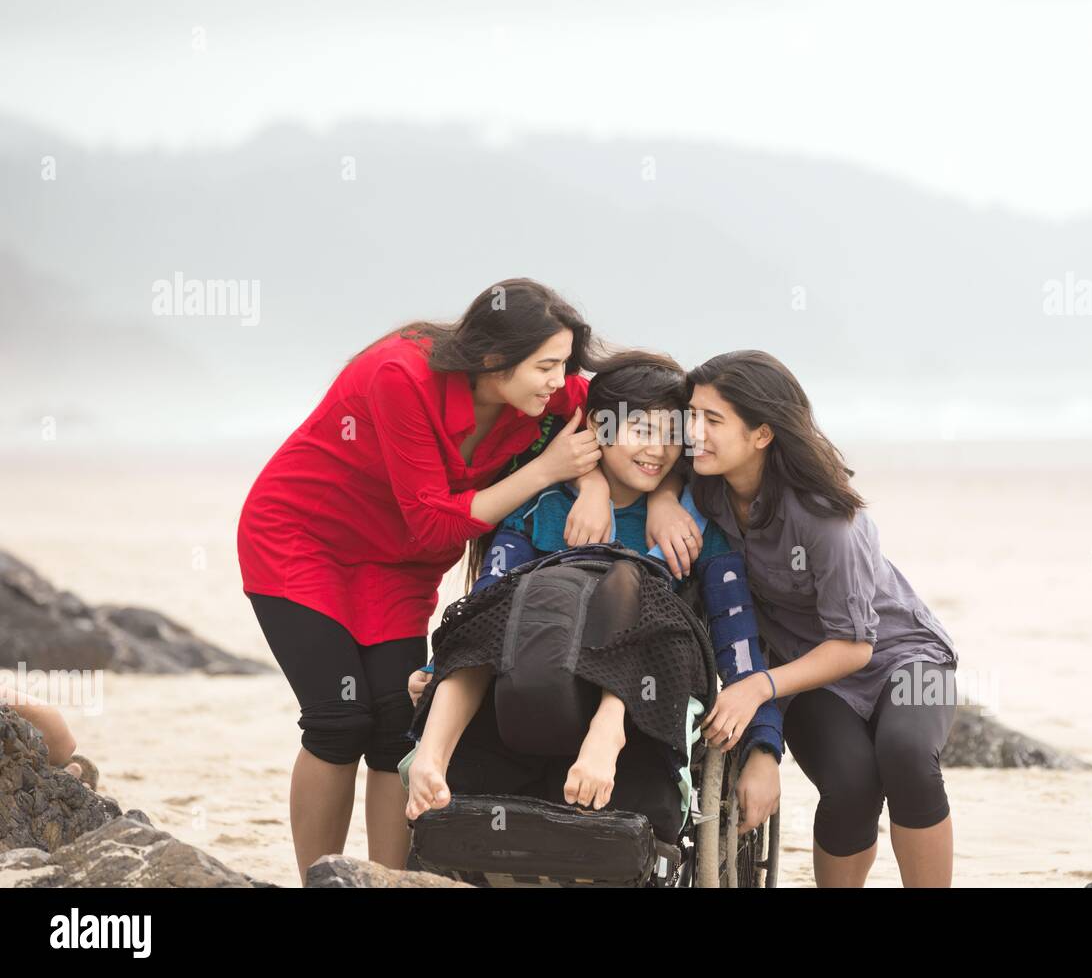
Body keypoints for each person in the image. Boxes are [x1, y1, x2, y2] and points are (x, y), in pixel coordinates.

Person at [238, 278, 638, 883]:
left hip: (397, 566)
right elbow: (432, 525)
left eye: (564, 365)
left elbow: (612, 425)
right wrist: (547, 471)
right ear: (491, 359)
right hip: (305, 541)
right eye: (548, 366)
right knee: (337, 720)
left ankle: (384, 880)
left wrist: (595, 484)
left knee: (396, 726)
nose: (561, 380)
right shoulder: (399, 374)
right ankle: (319, 879)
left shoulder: (545, 389)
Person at [403, 351, 783, 844]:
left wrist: (764, 751)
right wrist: (437, 670)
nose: (659, 450)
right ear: (598, 429)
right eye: (641, 430)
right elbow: (483, 603)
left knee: (632, 584)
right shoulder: (542, 510)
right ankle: (431, 757)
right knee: (503, 605)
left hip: (645, 707)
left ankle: (608, 729)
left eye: (673, 434)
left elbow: (739, 648)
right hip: (533, 683)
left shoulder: (691, 528)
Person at [681, 350, 960, 888]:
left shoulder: (829, 521)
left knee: (906, 757)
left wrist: (757, 688)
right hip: (807, 671)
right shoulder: (703, 489)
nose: (694, 432)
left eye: (712, 420)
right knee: (851, 783)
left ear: (762, 434)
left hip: (900, 655)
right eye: (692, 415)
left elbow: (855, 646)